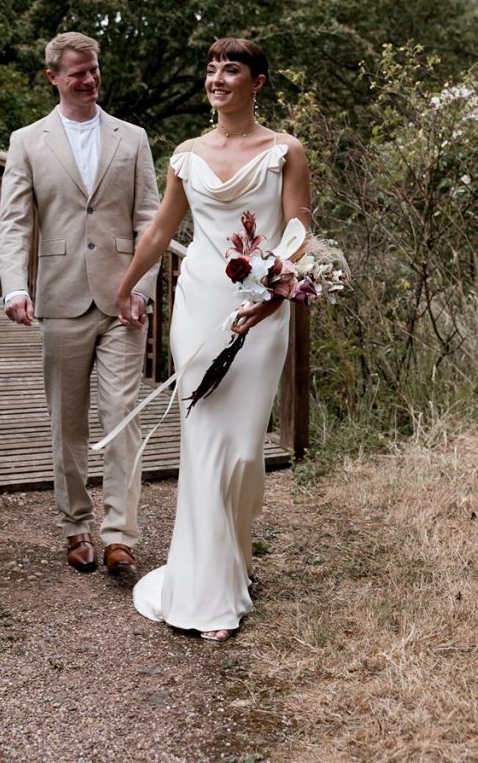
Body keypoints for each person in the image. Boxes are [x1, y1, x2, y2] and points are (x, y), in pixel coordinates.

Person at [117, 37, 310, 640]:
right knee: (204, 443)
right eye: (211, 69)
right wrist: (128, 286)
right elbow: (160, 232)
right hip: (200, 305)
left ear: (258, 81)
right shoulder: (185, 155)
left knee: (246, 450)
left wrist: (277, 286)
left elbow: (300, 227)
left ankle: (234, 559)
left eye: (232, 69)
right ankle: (206, 593)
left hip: (262, 307)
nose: (217, 78)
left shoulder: (286, 150)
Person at [0, 31, 160, 577]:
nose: (88, 80)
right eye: (76, 73)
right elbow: (16, 221)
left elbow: (149, 221)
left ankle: (120, 536)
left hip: (123, 300)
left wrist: (142, 287)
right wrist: (15, 285)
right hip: (61, 295)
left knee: (121, 417)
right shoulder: (28, 140)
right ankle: (75, 526)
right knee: (67, 422)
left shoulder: (132, 138)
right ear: (53, 77)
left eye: (93, 69)